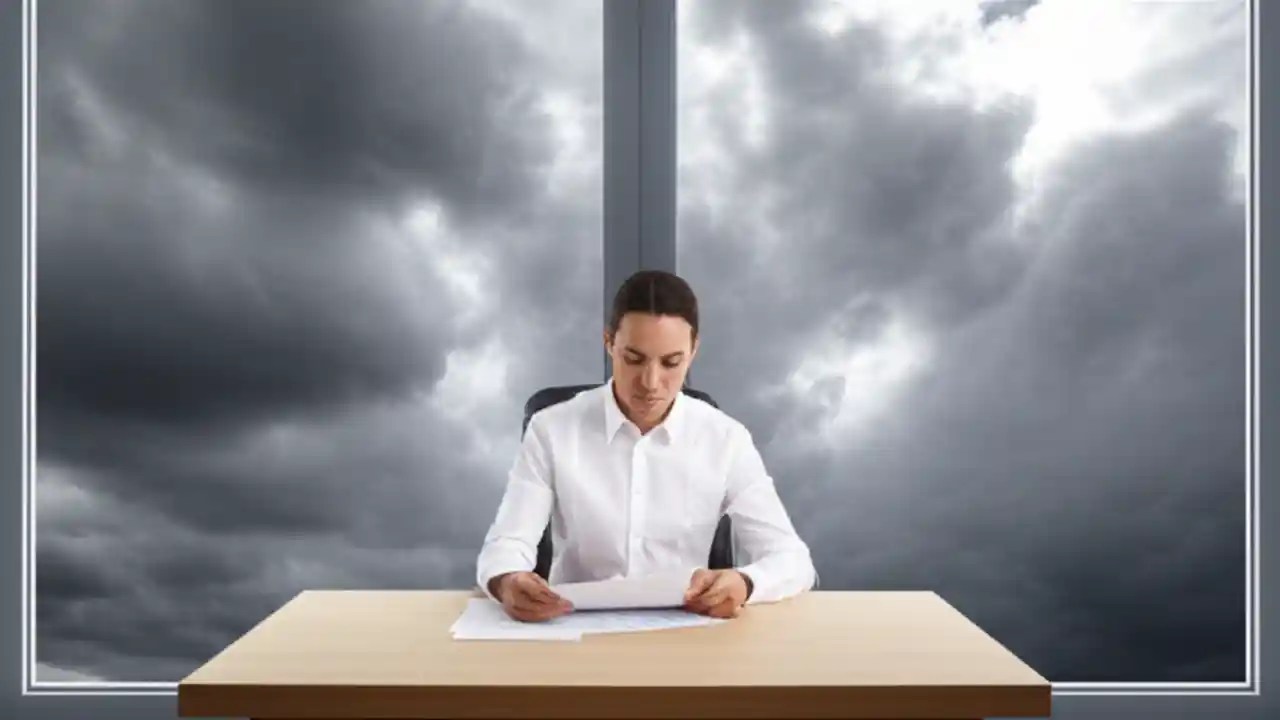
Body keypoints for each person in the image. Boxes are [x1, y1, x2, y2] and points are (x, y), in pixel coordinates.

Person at [476, 269, 817, 622]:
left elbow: (791, 559)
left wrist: (746, 582)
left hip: (687, 636)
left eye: (671, 362)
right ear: (609, 342)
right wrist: (507, 581)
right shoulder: (551, 429)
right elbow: (506, 544)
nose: (651, 383)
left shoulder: (726, 439)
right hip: (574, 629)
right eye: (634, 359)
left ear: (693, 350)